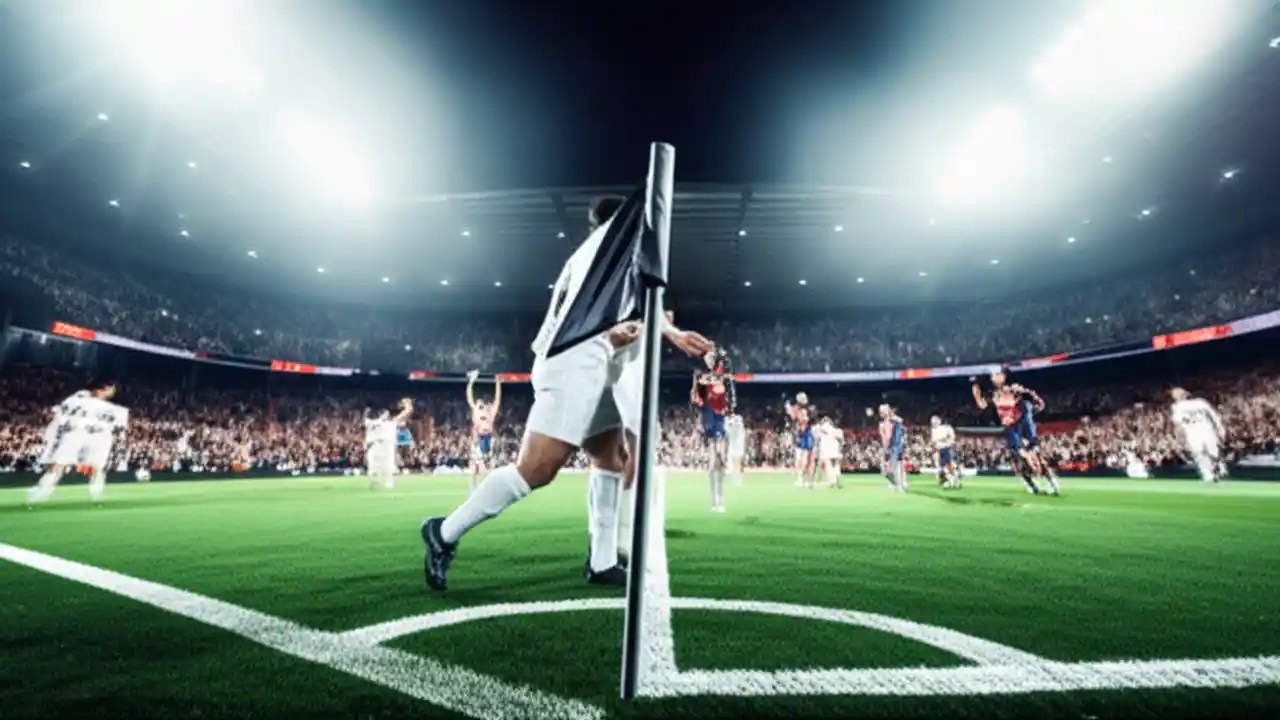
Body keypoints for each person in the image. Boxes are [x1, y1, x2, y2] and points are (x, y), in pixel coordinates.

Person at [420, 196, 713, 591]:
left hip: (597, 368)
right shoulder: (596, 256)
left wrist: (672, 333)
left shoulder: (614, 263)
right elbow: (590, 322)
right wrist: (615, 335)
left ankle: (603, 560)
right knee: (537, 469)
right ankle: (443, 533)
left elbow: (644, 301)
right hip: (571, 367)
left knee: (612, 456)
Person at [28, 380, 125, 504]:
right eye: (111, 389)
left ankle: (97, 492)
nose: (112, 392)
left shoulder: (105, 406)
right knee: (59, 463)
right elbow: (65, 410)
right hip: (75, 433)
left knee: (96, 465)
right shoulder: (80, 397)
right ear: (102, 388)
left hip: (95, 434)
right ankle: (42, 491)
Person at [971, 371, 1060, 496]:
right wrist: (976, 393)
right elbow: (982, 405)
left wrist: (1036, 400)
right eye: (994, 376)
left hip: (1022, 426)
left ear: (1003, 377)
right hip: (1011, 429)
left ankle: (1052, 482)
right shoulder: (992, 395)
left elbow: (1031, 396)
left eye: (998, 375)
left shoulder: (1013, 390)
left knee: (1037, 456)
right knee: (1020, 460)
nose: (996, 378)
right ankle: (1031, 485)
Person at [691, 348, 734, 513]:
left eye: (711, 358)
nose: (708, 361)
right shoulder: (704, 380)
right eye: (706, 359)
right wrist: (696, 382)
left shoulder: (721, 377)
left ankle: (720, 499)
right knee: (712, 464)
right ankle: (714, 501)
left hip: (720, 421)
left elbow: (724, 384)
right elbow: (696, 399)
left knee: (720, 460)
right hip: (709, 421)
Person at [1169, 387, 1225, 483]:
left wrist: (1219, 428)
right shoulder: (1177, 407)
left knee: (1212, 451)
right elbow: (1177, 422)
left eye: (1178, 394)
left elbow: (1213, 415)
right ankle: (1208, 474)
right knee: (1198, 453)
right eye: (1174, 395)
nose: (1176, 396)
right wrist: (1180, 435)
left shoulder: (1200, 402)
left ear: (1185, 394)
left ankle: (1219, 468)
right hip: (1192, 432)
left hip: (1206, 429)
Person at [365, 398, 413, 490]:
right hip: (375, 446)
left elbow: (405, 413)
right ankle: (376, 481)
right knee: (374, 467)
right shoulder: (372, 422)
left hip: (388, 446)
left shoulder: (392, 422)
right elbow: (368, 423)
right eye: (384, 413)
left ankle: (388, 482)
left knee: (388, 466)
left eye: (387, 413)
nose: (386, 415)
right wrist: (379, 419)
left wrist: (408, 406)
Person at [466, 372, 502, 492]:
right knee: (475, 463)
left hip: (488, 438)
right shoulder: (477, 412)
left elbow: (497, 398)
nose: (483, 405)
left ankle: (489, 485)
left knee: (489, 464)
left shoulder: (491, 412)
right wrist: (471, 382)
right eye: (480, 403)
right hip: (479, 439)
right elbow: (469, 397)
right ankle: (473, 485)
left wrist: (497, 382)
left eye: (485, 403)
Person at [785, 392, 816, 488]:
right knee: (799, 458)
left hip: (807, 434)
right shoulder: (796, 409)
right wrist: (789, 409)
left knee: (807, 458)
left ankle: (807, 479)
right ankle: (800, 478)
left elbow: (810, 419)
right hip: (800, 435)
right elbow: (793, 417)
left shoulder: (809, 409)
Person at [879, 403, 908, 491]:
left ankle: (896, 484)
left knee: (891, 468)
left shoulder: (888, 422)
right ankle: (901, 483)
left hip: (893, 446)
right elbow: (903, 430)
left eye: (882, 411)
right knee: (899, 465)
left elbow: (887, 437)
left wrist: (884, 449)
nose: (881, 413)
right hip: (898, 445)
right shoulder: (895, 421)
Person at [930, 415, 961, 489]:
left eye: (935, 422)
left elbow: (950, 438)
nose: (933, 423)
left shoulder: (945, 428)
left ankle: (952, 480)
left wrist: (945, 440)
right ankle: (949, 480)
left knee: (947, 465)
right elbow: (934, 441)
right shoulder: (934, 430)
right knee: (943, 466)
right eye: (932, 422)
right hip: (939, 449)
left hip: (945, 448)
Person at [814, 416, 844, 488]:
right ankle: (837, 480)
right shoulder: (837, 430)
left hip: (827, 451)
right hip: (835, 450)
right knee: (836, 466)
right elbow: (842, 441)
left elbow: (816, 430)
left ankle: (832, 482)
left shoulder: (820, 429)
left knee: (829, 467)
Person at [725, 412, 746, 486]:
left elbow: (737, 422)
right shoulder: (727, 421)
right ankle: (731, 471)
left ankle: (738, 478)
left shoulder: (738, 419)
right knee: (731, 458)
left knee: (738, 461)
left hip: (739, 445)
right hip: (733, 445)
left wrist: (731, 421)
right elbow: (726, 431)